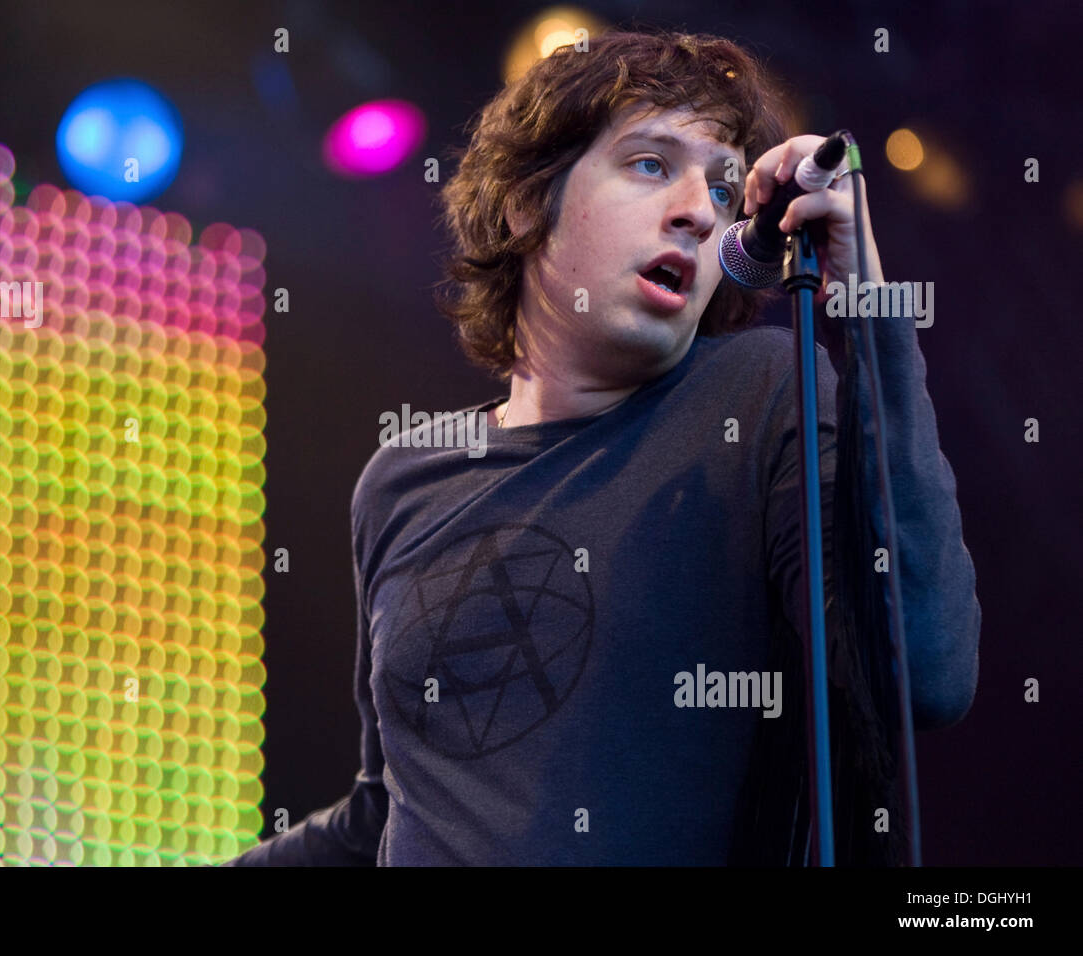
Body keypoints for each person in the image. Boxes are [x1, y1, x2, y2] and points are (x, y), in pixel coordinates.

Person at [225, 28, 980, 866]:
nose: (700, 209)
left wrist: (869, 303)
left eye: (726, 191)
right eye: (652, 164)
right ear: (526, 202)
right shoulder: (403, 479)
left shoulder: (760, 394)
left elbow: (924, 671)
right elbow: (388, 808)